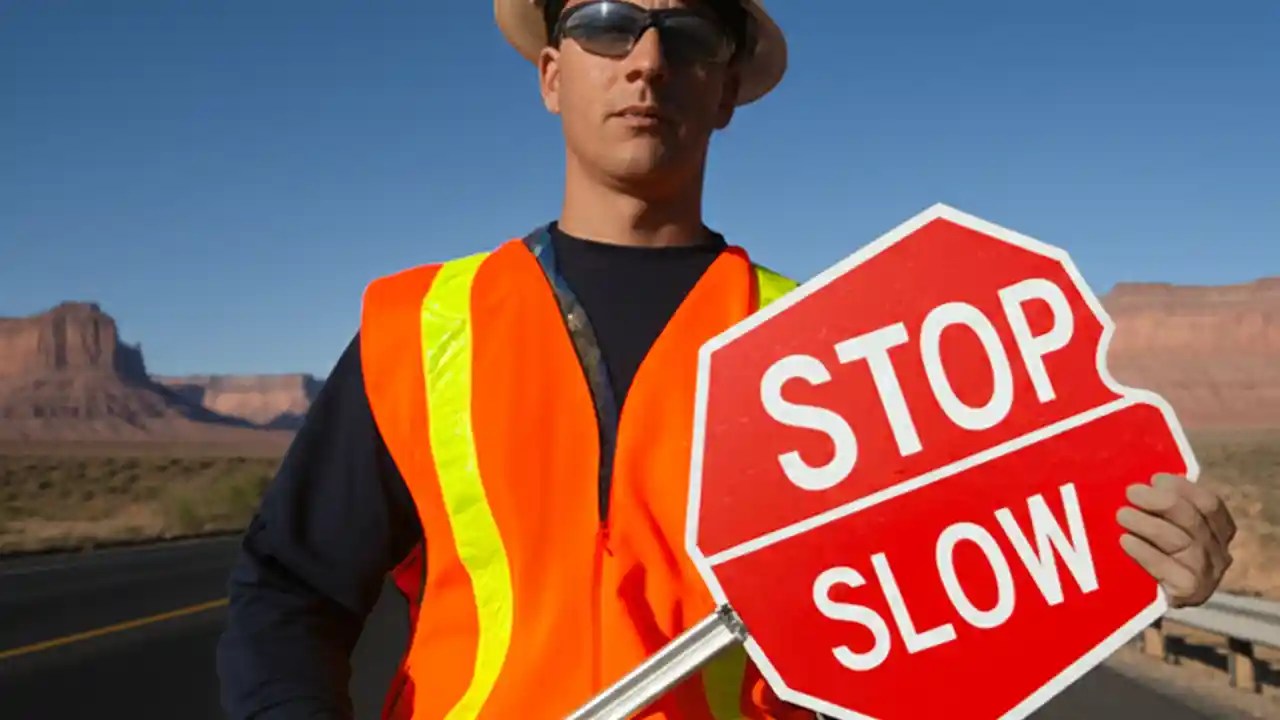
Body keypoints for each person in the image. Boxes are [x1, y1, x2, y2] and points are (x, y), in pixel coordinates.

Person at [215, 2, 1239, 719]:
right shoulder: (420, 325)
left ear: (726, 91)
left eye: (689, 31)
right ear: (550, 71)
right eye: (607, 21)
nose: (646, 59)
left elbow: (947, 601)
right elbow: (291, 592)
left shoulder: (822, 347)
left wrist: (1135, 564)